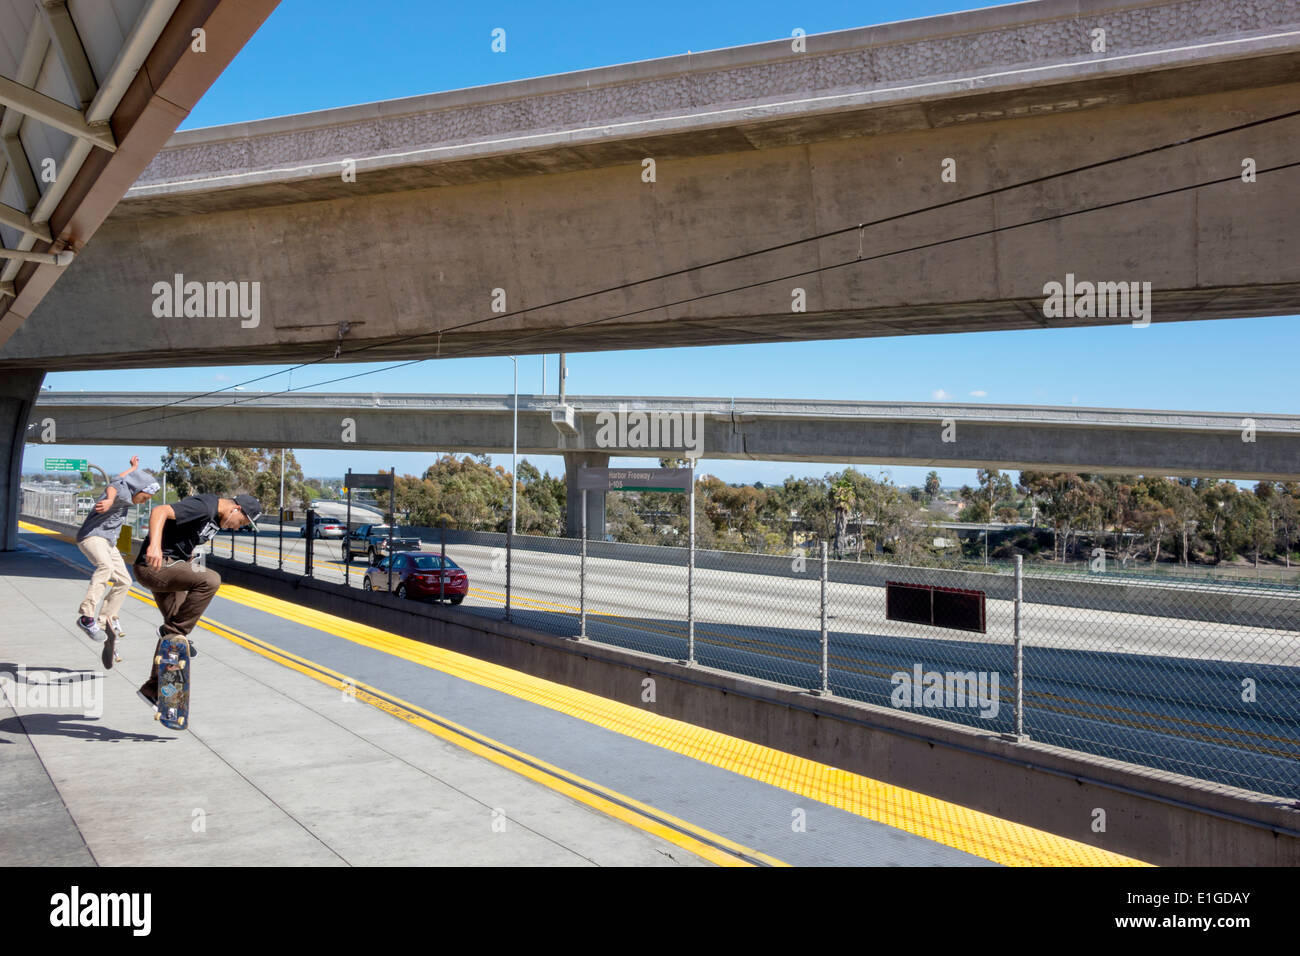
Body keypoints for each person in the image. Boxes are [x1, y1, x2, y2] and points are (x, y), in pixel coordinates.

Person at [133, 492, 262, 707]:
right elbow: (160, 511)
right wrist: (154, 545)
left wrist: (188, 560)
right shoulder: (204, 506)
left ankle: (153, 689)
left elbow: (186, 537)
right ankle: (173, 632)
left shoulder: (215, 520)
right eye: (241, 522)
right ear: (236, 510)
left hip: (173, 568)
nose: (238, 528)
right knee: (211, 580)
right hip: (155, 566)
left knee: (175, 630)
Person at [73, 455, 160, 643]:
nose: (144, 501)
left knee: (125, 580)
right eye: (145, 497)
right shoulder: (121, 493)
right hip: (92, 536)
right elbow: (113, 488)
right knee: (105, 567)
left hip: (108, 542)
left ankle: (105, 620)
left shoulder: (126, 485)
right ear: (138, 490)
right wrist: (110, 501)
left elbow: (118, 478)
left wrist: (134, 468)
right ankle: (86, 617)